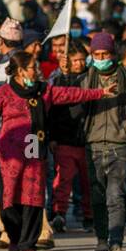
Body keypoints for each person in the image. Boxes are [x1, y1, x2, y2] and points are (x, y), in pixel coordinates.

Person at [0, 52, 107, 251]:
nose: (37, 71)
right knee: (9, 202)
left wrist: (100, 92)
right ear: (20, 71)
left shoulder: (43, 91)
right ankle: (14, 236)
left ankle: (28, 244)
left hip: (33, 147)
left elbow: (70, 94)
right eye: (33, 67)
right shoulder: (2, 93)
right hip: (9, 154)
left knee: (32, 198)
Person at [79, 33, 126, 251]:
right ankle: (101, 239)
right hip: (93, 143)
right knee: (98, 195)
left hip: (120, 144)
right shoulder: (85, 80)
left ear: (113, 54)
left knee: (116, 195)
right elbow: (75, 107)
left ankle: (116, 241)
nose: (101, 59)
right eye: (96, 55)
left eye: (105, 54)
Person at [48, 41, 93, 236]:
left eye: (83, 60)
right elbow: (52, 110)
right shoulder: (59, 80)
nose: (79, 64)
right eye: (75, 60)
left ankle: (89, 216)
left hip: (87, 138)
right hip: (64, 138)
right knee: (63, 181)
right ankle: (59, 214)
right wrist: (52, 136)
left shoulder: (92, 78)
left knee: (89, 182)